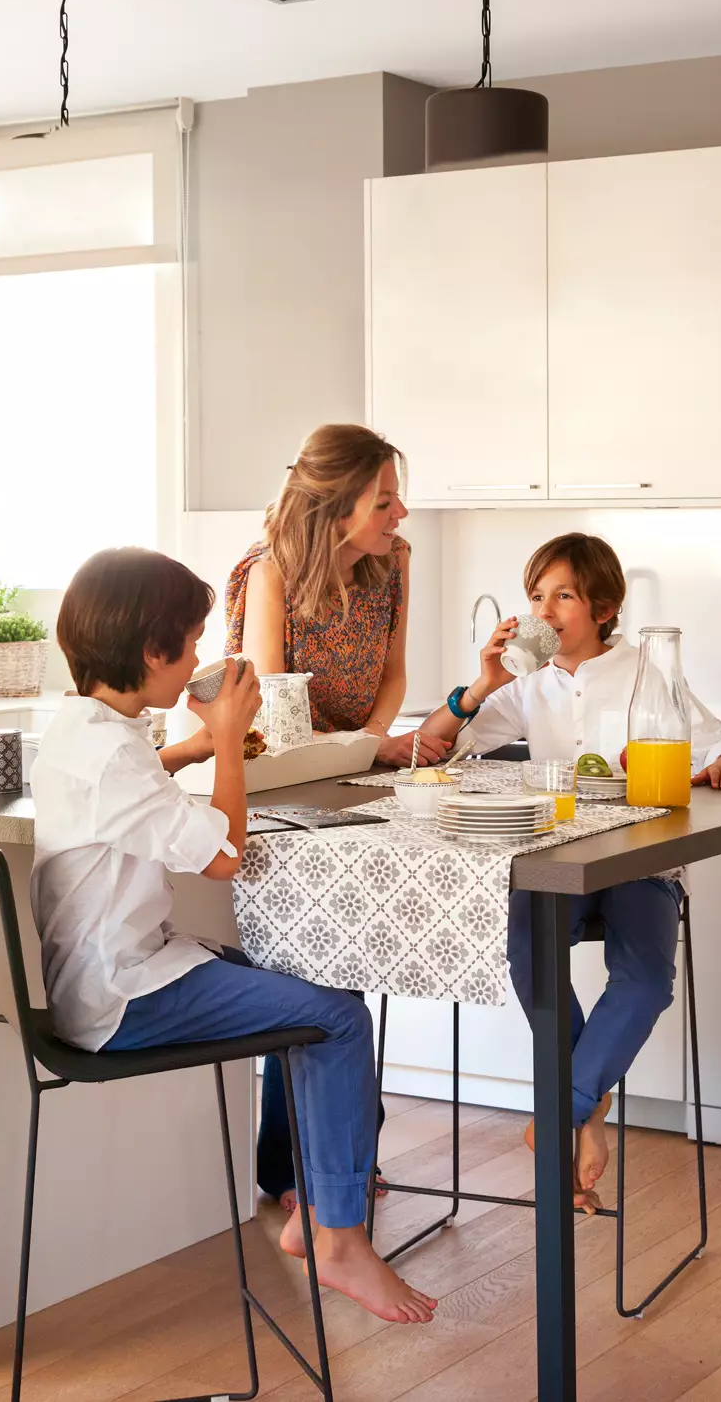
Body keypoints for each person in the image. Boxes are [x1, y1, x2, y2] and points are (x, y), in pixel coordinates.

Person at [29, 546, 436, 1324]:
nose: (197, 664)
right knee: (339, 1018)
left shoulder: (85, 729)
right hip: (123, 998)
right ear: (151, 651)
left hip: (116, 972)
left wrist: (195, 744)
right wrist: (224, 736)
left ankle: (311, 1202)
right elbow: (224, 857)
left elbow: (140, 775)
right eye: (189, 647)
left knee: (314, 975)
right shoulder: (111, 758)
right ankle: (340, 1237)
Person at [424, 532, 721, 1207]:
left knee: (645, 981)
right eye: (536, 596)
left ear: (603, 607)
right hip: (556, 853)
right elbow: (435, 751)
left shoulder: (646, 670)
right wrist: (485, 682)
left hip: (641, 856)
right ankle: (586, 1114)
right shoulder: (525, 686)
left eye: (563, 596)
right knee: (524, 952)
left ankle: (562, 1113)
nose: (545, 611)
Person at [225, 423, 443, 1211]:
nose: (401, 514)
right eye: (384, 500)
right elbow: (274, 701)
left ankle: (332, 1158)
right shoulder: (269, 574)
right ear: (334, 505)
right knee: (305, 965)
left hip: (356, 771)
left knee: (343, 963)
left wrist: (374, 743)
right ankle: (298, 1167)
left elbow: (394, 671)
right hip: (280, 782)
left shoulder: (393, 563)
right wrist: (359, 749)